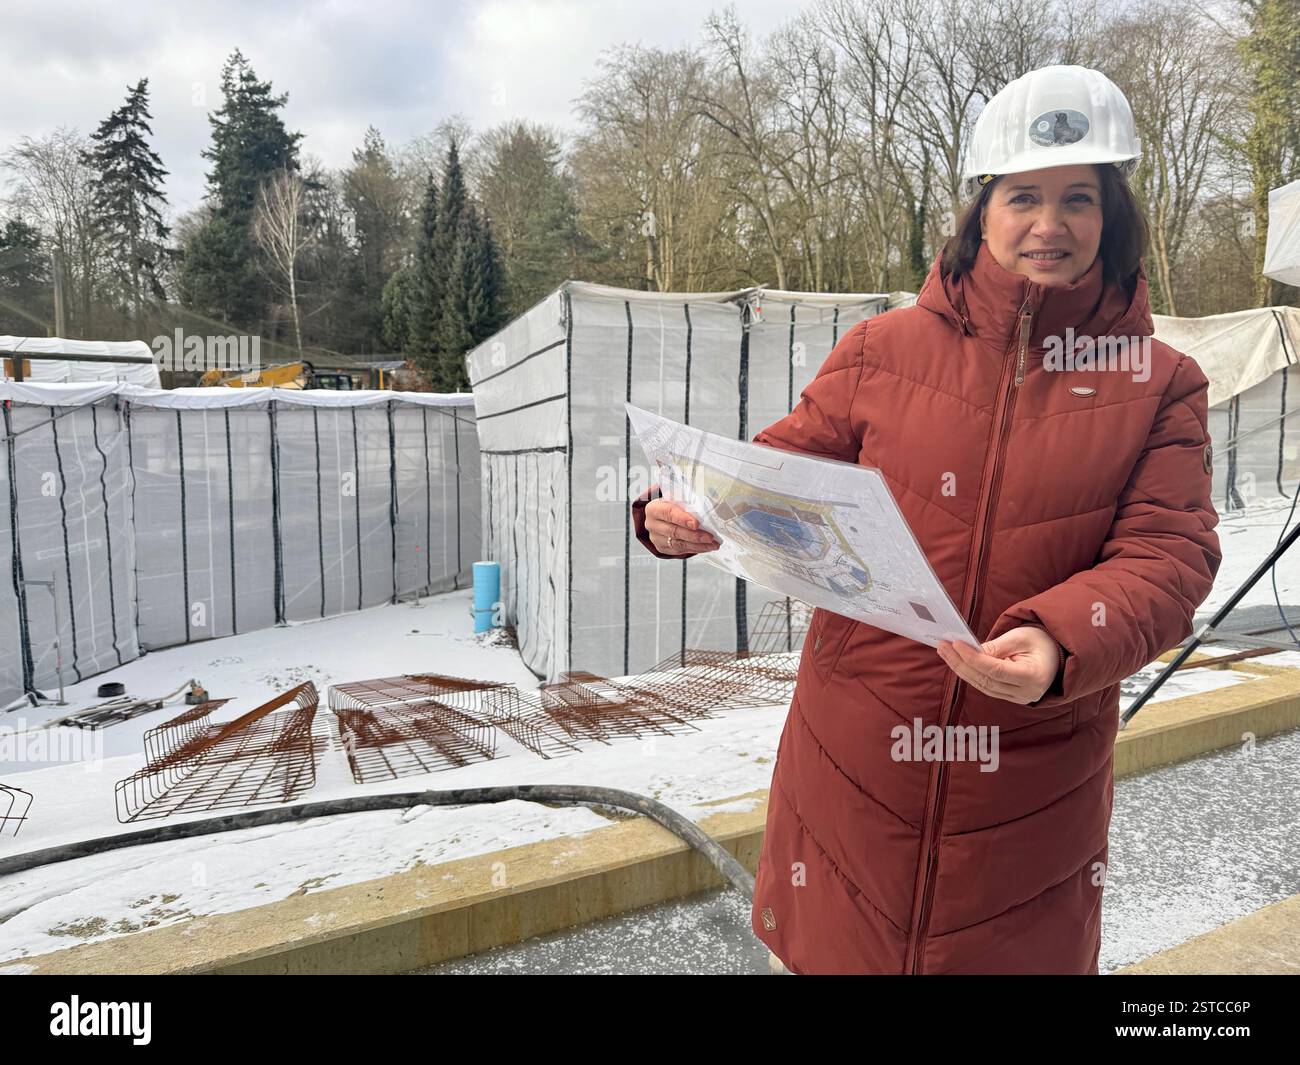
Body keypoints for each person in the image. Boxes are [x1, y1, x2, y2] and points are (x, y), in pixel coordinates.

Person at [631, 65, 1223, 974]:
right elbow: (772, 479)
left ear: (1114, 217)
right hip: (855, 755)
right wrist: (675, 511)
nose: (1049, 223)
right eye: (1023, 195)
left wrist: (1061, 643)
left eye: (1079, 198)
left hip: (1030, 774)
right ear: (982, 209)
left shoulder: (1159, 383)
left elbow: (1169, 553)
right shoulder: (881, 348)